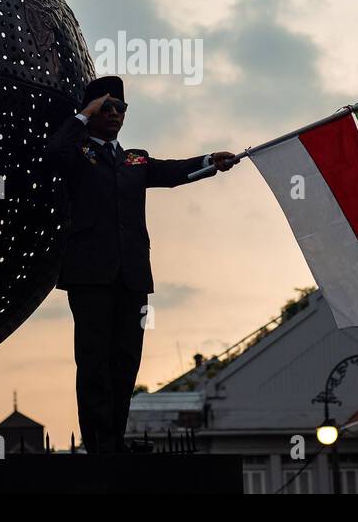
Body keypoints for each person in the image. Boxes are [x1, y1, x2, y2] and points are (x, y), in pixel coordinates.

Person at [45, 75, 237, 454]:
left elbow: (172, 172)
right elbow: (54, 154)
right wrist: (84, 115)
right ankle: (99, 443)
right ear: (93, 110)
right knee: (94, 360)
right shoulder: (78, 151)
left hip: (132, 277)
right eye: (107, 107)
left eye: (121, 108)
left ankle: (114, 438)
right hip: (90, 275)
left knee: (125, 361)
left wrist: (209, 162)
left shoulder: (135, 159)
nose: (115, 114)